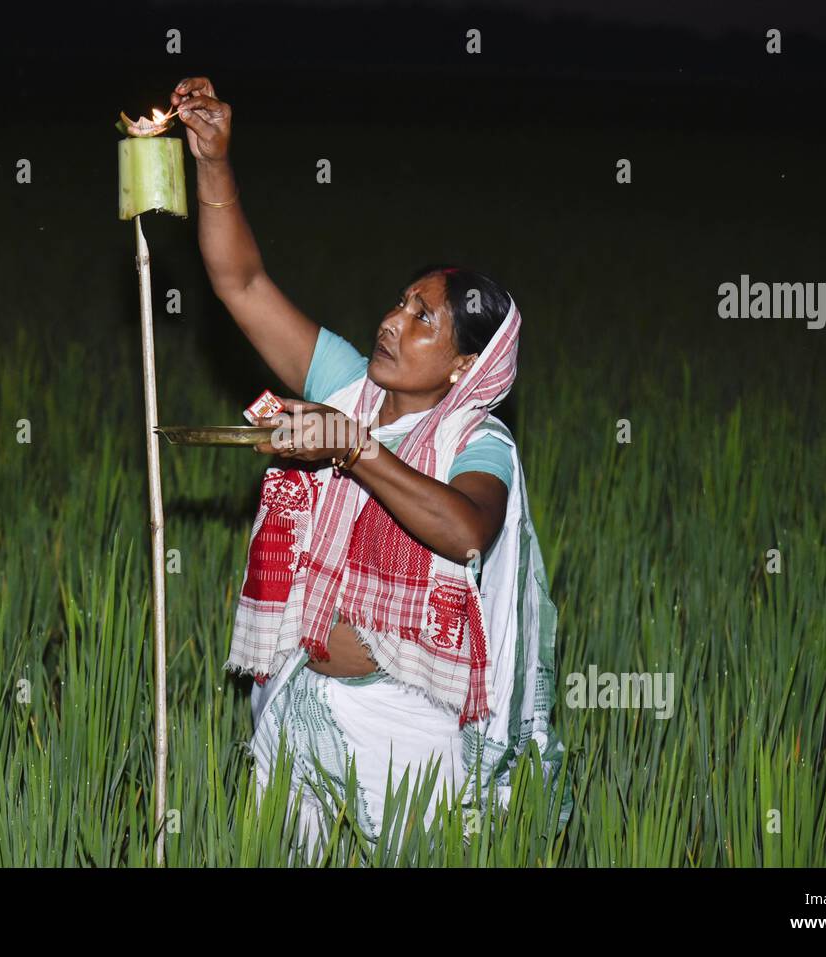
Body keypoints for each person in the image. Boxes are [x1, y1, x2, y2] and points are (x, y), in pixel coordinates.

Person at [173, 77, 571, 860]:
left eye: (425, 319)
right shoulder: (345, 386)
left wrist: (354, 449)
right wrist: (214, 163)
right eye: (400, 302)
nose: (394, 318)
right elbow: (241, 283)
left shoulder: (474, 441)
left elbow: (464, 531)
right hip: (302, 700)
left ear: (464, 366)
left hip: (404, 732)